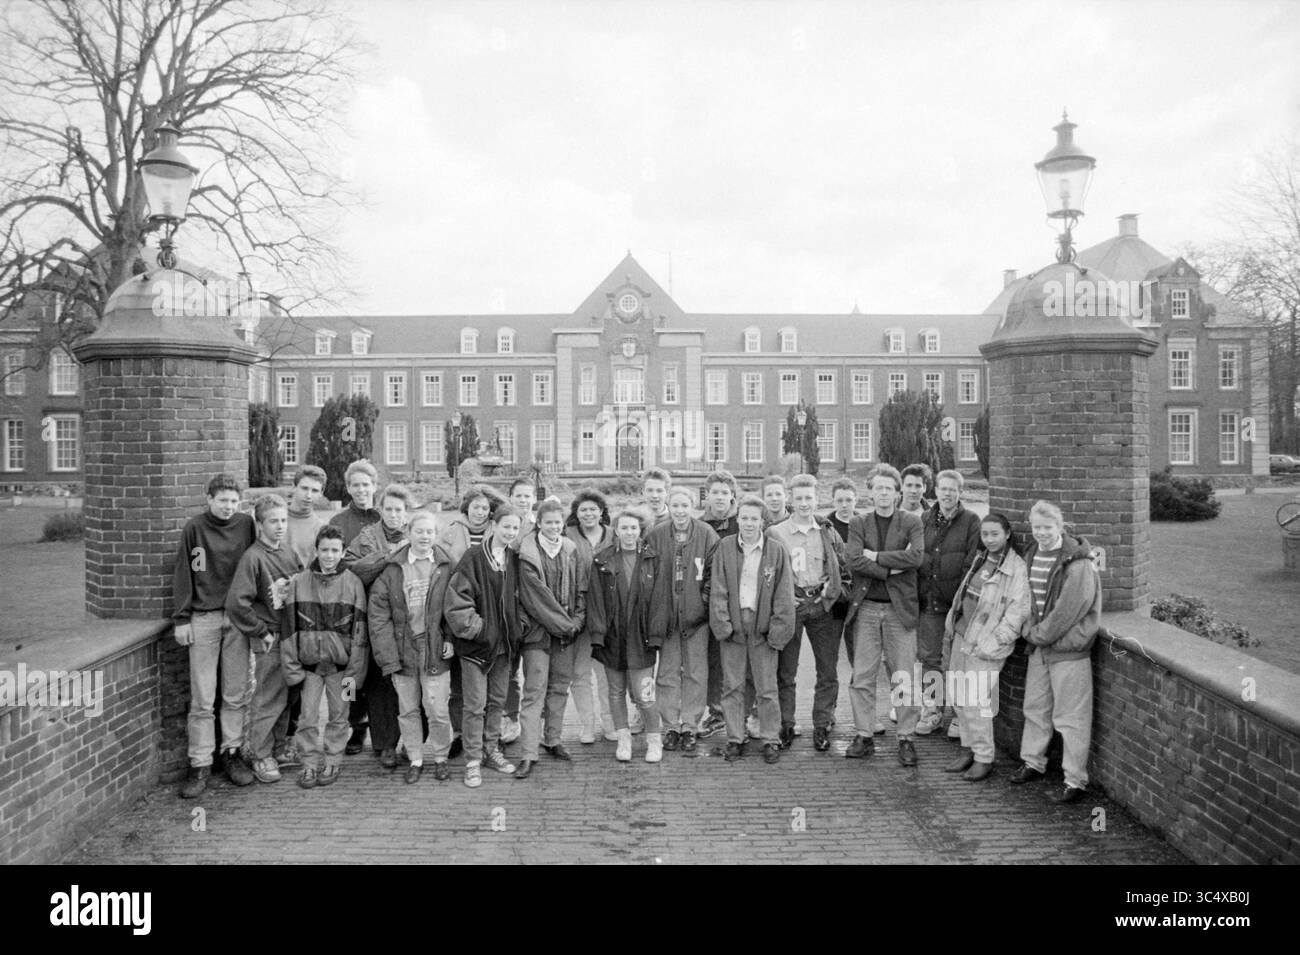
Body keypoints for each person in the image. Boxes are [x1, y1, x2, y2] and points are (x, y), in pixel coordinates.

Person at [172, 473, 257, 797]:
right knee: (203, 698)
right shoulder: (194, 528)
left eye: (234, 501)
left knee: (235, 693)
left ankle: (232, 754)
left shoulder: (245, 525)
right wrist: (182, 619)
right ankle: (200, 763)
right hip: (203, 618)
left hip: (236, 619)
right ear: (209, 499)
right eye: (223, 500)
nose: (228, 507)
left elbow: (255, 567)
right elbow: (183, 574)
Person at [1011, 501, 1102, 804]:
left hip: (1068, 650)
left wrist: (1034, 635)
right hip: (1040, 648)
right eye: (1037, 527)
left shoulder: (1079, 564)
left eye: (1048, 527)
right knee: (1035, 708)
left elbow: (1067, 611)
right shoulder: (1032, 555)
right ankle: (1033, 762)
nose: (1042, 533)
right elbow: (1026, 598)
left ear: (1061, 527)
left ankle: (1075, 780)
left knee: (1070, 717)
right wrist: (1032, 631)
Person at [844, 465, 924, 767]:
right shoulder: (859, 523)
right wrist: (893, 568)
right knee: (862, 675)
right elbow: (852, 559)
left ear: (897, 492)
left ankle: (906, 737)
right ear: (870, 490)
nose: (883, 494)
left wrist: (875, 557)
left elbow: (916, 557)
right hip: (866, 608)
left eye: (889, 489)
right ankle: (864, 734)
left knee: (902, 675)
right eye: (878, 488)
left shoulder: (911, 522)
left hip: (898, 610)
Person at [369, 510, 458, 784]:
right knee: (407, 709)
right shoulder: (393, 569)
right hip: (404, 650)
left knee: (437, 709)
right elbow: (378, 616)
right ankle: (416, 758)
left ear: (436, 534)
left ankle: (441, 757)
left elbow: (456, 606)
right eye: (419, 531)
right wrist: (388, 656)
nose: (425, 537)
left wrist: (451, 640)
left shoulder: (446, 566)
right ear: (409, 533)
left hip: (434, 649)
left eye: (430, 532)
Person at [280, 524, 369, 789]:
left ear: (343, 552)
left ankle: (333, 760)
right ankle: (308, 764)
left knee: (340, 715)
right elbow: (288, 629)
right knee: (307, 718)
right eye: (324, 550)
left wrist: (355, 674)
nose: (329, 556)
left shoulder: (353, 584)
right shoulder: (299, 582)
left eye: (335, 550)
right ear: (316, 550)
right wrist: (292, 668)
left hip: (343, 669)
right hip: (309, 667)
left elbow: (360, 633)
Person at [708, 495, 795, 765]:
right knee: (732, 686)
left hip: (763, 627)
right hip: (734, 626)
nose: (748, 523)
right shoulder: (725, 547)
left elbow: (784, 594)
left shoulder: (775, 550)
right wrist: (723, 626)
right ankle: (735, 737)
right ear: (737, 519)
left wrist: (778, 631)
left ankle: (770, 738)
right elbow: (718, 588)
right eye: (744, 518)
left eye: (754, 519)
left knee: (766, 687)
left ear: (762, 521)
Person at [943, 512, 1029, 782]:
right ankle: (968, 748)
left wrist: (995, 642)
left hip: (985, 644)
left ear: (1007, 534)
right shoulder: (981, 558)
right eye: (985, 534)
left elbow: (1018, 611)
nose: (989, 539)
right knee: (958, 695)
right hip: (962, 635)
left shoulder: (1016, 567)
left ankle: (983, 757)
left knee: (976, 700)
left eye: (995, 534)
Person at [444, 503, 525, 788]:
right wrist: (480, 630)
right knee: (474, 705)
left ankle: (491, 750)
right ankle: (472, 760)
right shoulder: (474, 557)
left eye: (515, 528)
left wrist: (518, 629)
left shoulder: (515, 559)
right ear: (494, 525)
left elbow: (522, 600)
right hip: (476, 648)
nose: (510, 533)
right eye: (506, 526)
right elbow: (456, 604)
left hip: (504, 648)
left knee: (496, 702)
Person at [225, 493, 304, 784]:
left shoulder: (288, 553)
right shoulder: (253, 558)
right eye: (273, 521)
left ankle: (279, 748)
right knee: (267, 697)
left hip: (290, 636)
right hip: (270, 638)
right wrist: (262, 631)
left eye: (283, 520)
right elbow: (237, 603)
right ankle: (259, 754)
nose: (280, 526)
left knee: (285, 696)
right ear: (260, 524)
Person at [767, 474, 845, 752]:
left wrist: (831, 590)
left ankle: (822, 724)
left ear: (816, 498)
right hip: (793, 605)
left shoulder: (825, 529)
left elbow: (841, 564)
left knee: (827, 669)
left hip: (820, 604)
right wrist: (784, 598)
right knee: (786, 670)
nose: (804, 503)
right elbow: (769, 572)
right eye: (798, 498)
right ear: (790, 499)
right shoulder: (776, 532)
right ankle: (786, 723)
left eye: (808, 497)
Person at [514, 499, 588, 779]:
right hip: (537, 633)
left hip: (567, 632)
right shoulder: (528, 553)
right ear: (539, 524)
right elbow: (536, 599)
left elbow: (581, 589)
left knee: (559, 688)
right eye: (548, 523)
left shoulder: (570, 549)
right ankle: (528, 753)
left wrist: (577, 621)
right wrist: (565, 626)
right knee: (534, 691)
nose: (554, 527)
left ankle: (553, 740)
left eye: (558, 522)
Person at [342, 483, 414, 770]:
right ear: (380, 511)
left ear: (407, 513)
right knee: (379, 684)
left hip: (409, 621)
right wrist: (386, 557)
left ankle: (411, 741)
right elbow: (349, 567)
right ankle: (384, 744)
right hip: (376, 620)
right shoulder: (367, 538)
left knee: (409, 683)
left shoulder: (416, 535)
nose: (394, 515)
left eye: (399, 510)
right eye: (389, 509)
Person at [586, 507, 663, 763]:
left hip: (642, 639)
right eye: (624, 528)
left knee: (645, 694)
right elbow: (595, 600)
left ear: (640, 530)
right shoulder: (603, 560)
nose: (629, 532)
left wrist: (655, 635)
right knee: (616, 692)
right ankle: (624, 739)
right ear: (616, 531)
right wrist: (599, 635)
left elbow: (660, 602)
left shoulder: (653, 559)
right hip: (613, 638)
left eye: (633, 528)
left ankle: (654, 740)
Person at [647, 486, 719, 756]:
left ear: (692, 507)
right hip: (666, 617)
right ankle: (670, 726)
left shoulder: (706, 534)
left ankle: (689, 725)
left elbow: (714, 573)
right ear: (669, 505)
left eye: (684, 506)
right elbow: (647, 574)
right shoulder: (655, 535)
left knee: (696, 673)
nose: (679, 511)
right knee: (666, 673)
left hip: (695, 618)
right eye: (674, 505)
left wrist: (702, 603)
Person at [914, 469, 981, 736]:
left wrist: (961, 599)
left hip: (956, 605)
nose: (948, 493)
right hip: (929, 602)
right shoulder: (926, 518)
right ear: (936, 490)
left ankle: (957, 715)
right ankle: (932, 712)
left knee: (957, 662)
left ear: (960, 492)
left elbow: (972, 562)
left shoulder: (971, 521)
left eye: (953, 489)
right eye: (943, 488)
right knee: (930, 659)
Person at [330, 458, 382, 756]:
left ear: (374, 486)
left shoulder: (384, 517)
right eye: (356, 485)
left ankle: (382, 727)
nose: (361, 490)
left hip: (381, 606)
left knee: (377, 670)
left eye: (366, 484)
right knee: (352, 670)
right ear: (348, 487)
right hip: (350, 606)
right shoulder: (338, 523)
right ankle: (355, 725)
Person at [565, 489, 617, 743]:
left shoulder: (613, 535)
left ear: (601, 512)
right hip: (576, 609)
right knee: (580, 673)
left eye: (593, 509)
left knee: (606, 672)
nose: (588, 514)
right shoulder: (568, 535)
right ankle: (587, 724)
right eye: (583, 509)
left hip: (606, 612)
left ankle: (610, 723)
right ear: (576, 513)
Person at [699, 470, 740, 738]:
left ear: (733, 496)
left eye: (725, 492)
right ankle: (716, 713)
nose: (720, 497)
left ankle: (743, 712)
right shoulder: (699, 525)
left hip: (740, 602)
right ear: (707, 495)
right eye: (715, 492)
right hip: (709, 604)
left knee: (739, 662)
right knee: (713, 661)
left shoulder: (744, 522)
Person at [501, 479, 539, 744]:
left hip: (536, 610)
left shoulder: (541, 526)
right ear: (510, 497)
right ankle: (509, 718)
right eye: (519, 496)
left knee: (537, 672)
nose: (523, 500)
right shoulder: (505, 526)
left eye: (528, 496)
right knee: (510, 669)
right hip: (510, 609)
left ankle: (537, 723)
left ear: (534, 499)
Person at [439, 486, 497, 565]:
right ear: (467, 507)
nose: (480, 512)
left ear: (490, 510)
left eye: (485, 508)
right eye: (475, 507)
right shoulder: (451, 530)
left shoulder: (495, 530)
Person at [284, 465, 328, 568]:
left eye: (315, 491)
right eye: (304, 488)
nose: (308, 496)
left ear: (321, 493)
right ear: (294, 487)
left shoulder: (322, 528)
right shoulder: (275, 519)